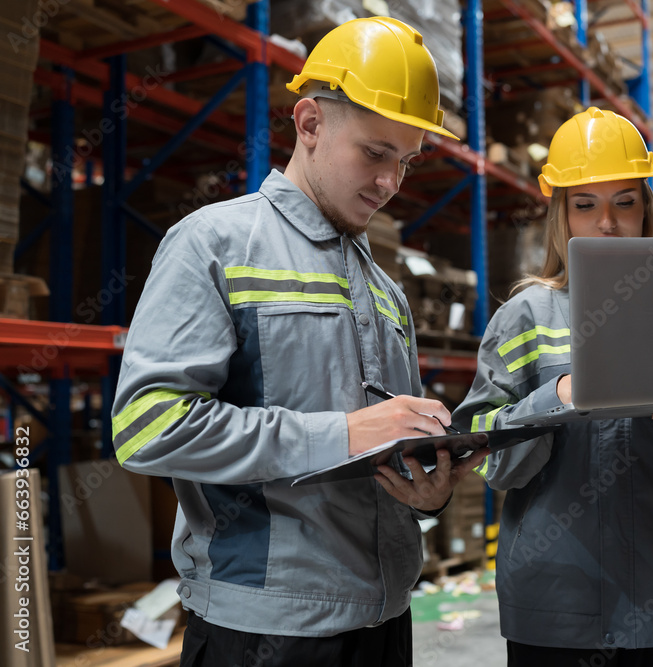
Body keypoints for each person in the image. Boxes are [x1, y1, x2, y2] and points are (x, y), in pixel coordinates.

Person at [111, 17, 487, 666]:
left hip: (386, 621)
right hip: (262, 629)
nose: (390, 181)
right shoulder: (214, 245)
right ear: (309, 123)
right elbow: (146, 427)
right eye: (375, 152)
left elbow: (388, 443)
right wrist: (340, 434)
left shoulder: (386, 292)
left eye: (405, 159)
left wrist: (430, 488)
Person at [453, 107, 653, 666]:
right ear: (560, 215)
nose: (607, 223)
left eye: (625, 201)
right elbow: (482, 452)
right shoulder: (524, 317)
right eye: (585, 204)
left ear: (647, 208)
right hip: (556, 605)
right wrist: (557, 398)